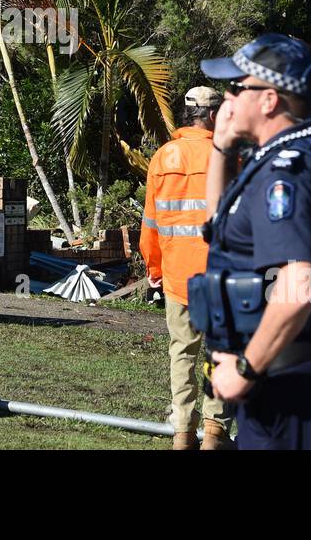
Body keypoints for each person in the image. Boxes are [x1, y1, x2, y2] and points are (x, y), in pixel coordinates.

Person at [195, 34, 311, 450]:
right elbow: (220, 225)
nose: (226, 99)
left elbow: (300, 284)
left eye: (236, 87)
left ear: (268, 100)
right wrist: (222, 146)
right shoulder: (297, 155)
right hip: (290, 371)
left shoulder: (287, 173)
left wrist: (247, 368)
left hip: (291, 380)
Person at [140, 86, 232, 450]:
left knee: (182, 352)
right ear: (213, 116)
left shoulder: (164, 156)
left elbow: (151, 221)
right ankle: (214, 433)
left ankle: (182, 434)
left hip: (179, 276)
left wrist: (155, 268)